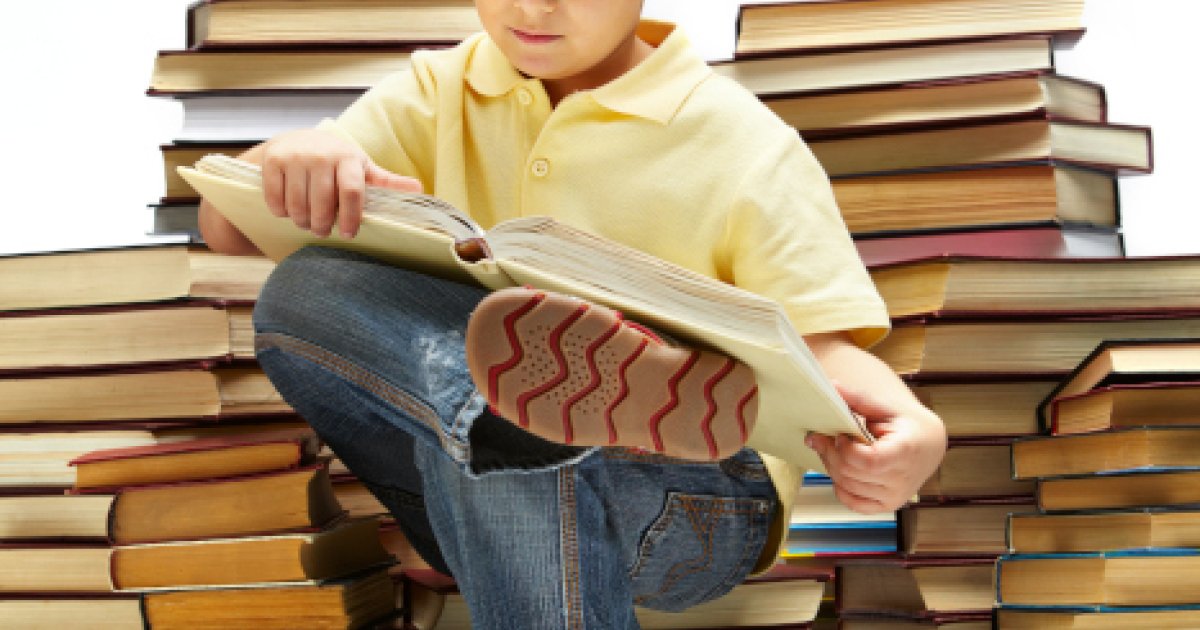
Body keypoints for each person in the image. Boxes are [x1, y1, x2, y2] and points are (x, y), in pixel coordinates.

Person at [198, 0, 947, 627]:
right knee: (303, 289)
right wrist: (292, 155)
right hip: (451, 479)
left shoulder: (747, 145)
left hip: (697, 506)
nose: (532, 7)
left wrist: (912, 428)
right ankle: (497, 413)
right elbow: (225, 227)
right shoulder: (437, 90)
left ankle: (506, 416)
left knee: (511, 433)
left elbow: (821, 350)